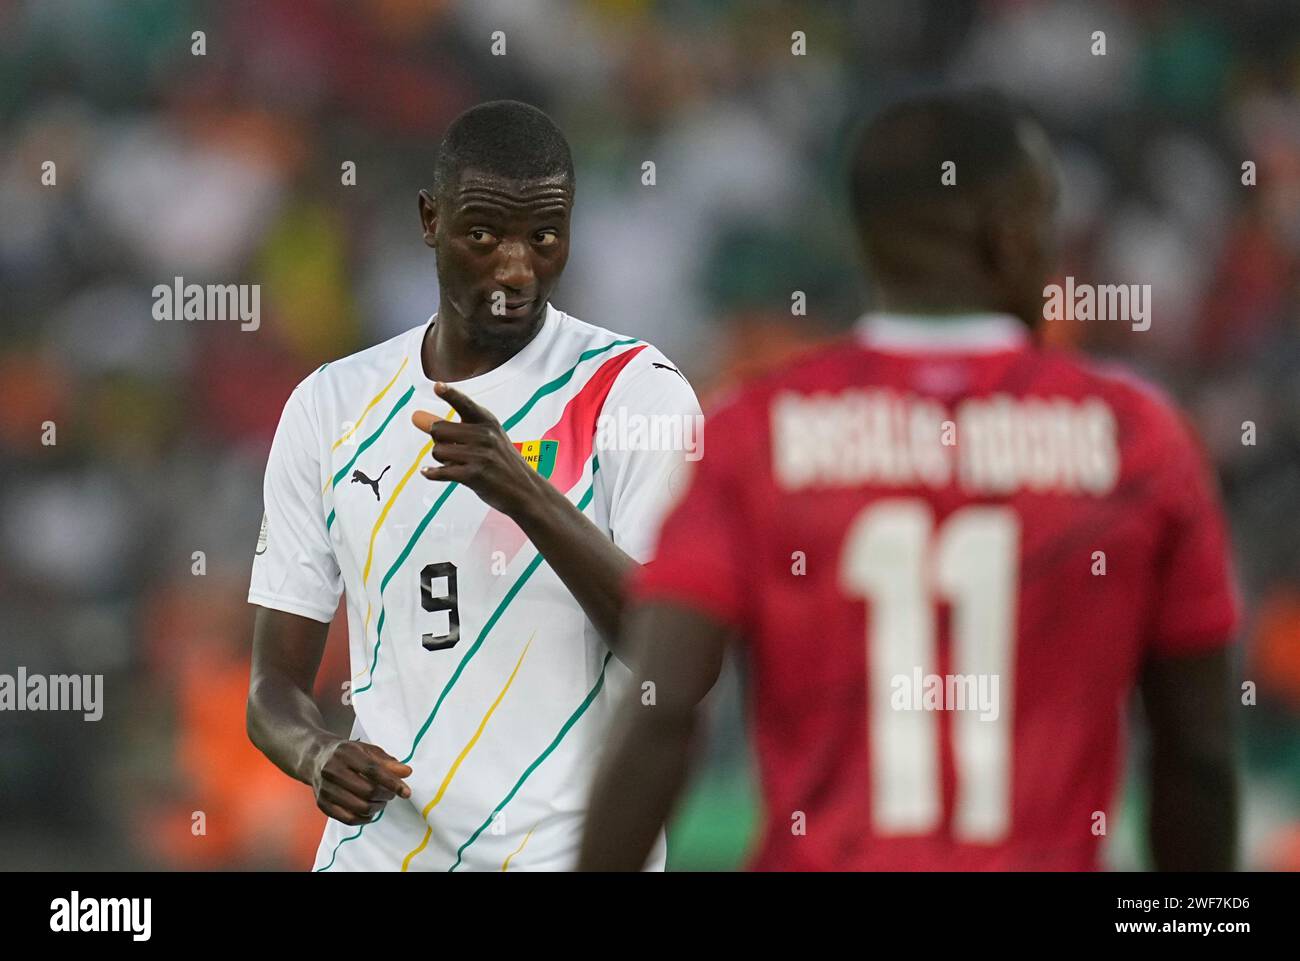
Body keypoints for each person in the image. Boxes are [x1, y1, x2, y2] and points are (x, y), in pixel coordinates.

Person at [578, 90, 1240, 871]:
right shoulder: (1136, 440)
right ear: (1013, 233)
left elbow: (662, 712)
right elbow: (1197, 751)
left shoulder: (756, 431)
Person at [246, 100, 700, 871]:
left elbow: (679, 653)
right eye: (484, 235)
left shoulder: (635, 392)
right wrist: (318, 754)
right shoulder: (331, 405)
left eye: (544, 236)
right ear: (431, 219)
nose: (515, 269)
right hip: (380, 855)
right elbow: (272, 688)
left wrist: (525, 493)